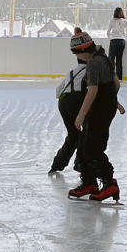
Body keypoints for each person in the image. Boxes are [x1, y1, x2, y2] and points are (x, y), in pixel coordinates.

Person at [67, 32, 126, 202]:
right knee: (86, 146)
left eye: (76, 53)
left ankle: (109, 184)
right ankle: (90, 183)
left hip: (99, 112)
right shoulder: (104, 58)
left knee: (93, 148)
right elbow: (115, 83)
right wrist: (114, 102)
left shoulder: (93, 64)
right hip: (105, 109)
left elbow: (92, 91)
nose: (77, 57)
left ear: (82, 51)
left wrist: (80, 115)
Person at [49, 28, 88, 174]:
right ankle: (80, 163)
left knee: (73, 135)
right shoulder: (91, 71)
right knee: (86, 135)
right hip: (76, 101)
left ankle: (57, 164)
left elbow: (57, 92)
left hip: (63, 102)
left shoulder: (71, 73)